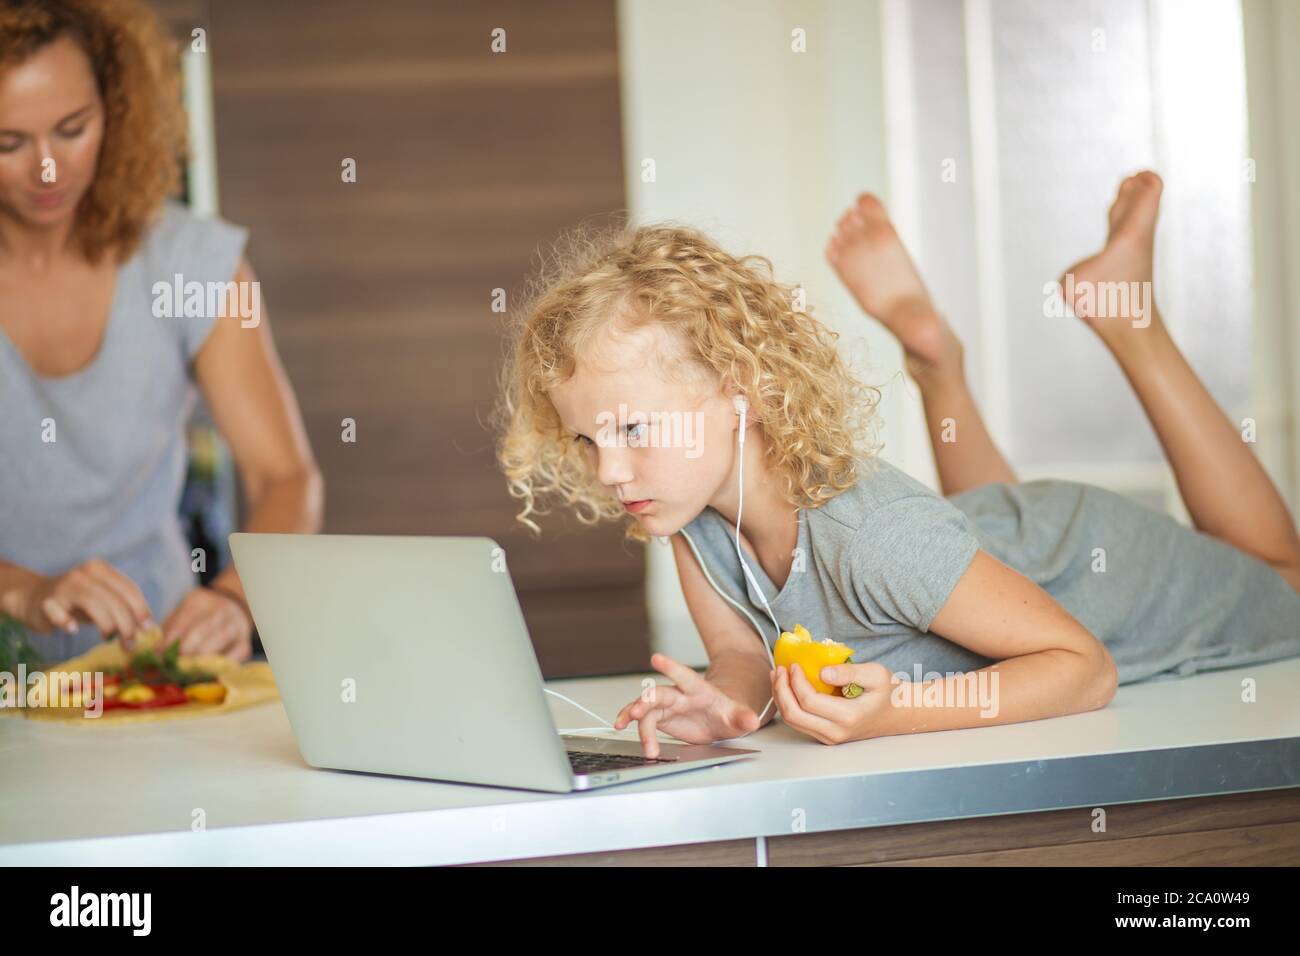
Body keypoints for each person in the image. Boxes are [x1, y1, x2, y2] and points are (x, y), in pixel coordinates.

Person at [493, 170, 1300, 754]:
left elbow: (1083, 670)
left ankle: (1133, 319)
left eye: (633, 429)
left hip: (1107, 564)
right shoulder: (694, 525)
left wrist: (894, 717)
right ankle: (935, 358)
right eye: (589, 441)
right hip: (999, 537)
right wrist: (731, 704)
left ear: (739, 391)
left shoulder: (874, 534)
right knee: (968, 544)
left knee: (1279, 571)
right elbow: (745, 652)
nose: (608, 471)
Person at [0, 0, 323, 664]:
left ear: (115, 110)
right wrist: (24, 592)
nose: (47, 171)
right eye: (8, 142)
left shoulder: (192, 263)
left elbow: (285, 479)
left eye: (72, 128)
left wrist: (236, 599)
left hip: (154, 662)